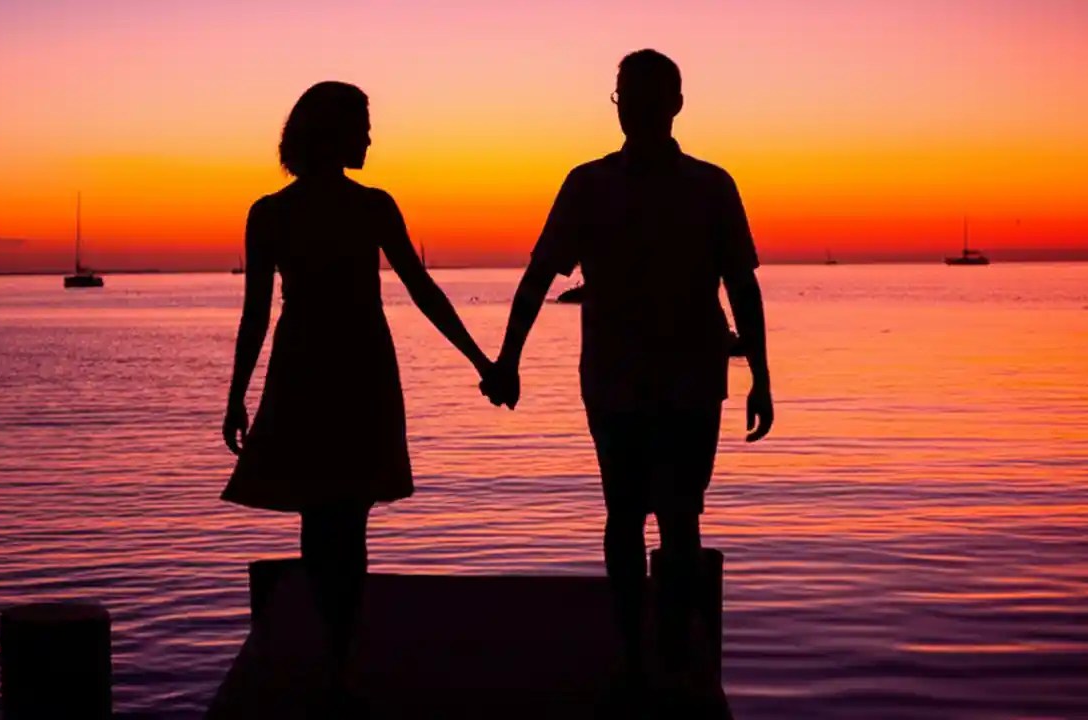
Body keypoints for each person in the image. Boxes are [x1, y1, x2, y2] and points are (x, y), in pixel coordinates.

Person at [480, 49, 775, 695]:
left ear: (671, 104)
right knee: (668, 515)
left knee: (640, 514)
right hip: (649, 380)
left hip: (662, 379)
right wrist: (506, 359)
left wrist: (761, 374)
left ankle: (644, 654)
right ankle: (656, 652)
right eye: (628, 98)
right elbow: (742, 288)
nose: (634, 109)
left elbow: (741, 287)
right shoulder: (665, 184)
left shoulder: (675, 185)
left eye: (637, 97)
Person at [222, 81, 493, 697]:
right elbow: (257, 311)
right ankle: (339, 648)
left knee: (329, 515)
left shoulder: (287, 211)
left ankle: (335, 648)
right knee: (341, 515)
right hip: (338, 368)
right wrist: (236, 393)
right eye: (362, 125)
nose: (370, 137)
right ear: (331, 132)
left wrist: (482, 360)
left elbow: (419, 293)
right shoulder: (342, 208)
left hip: (329, 367)